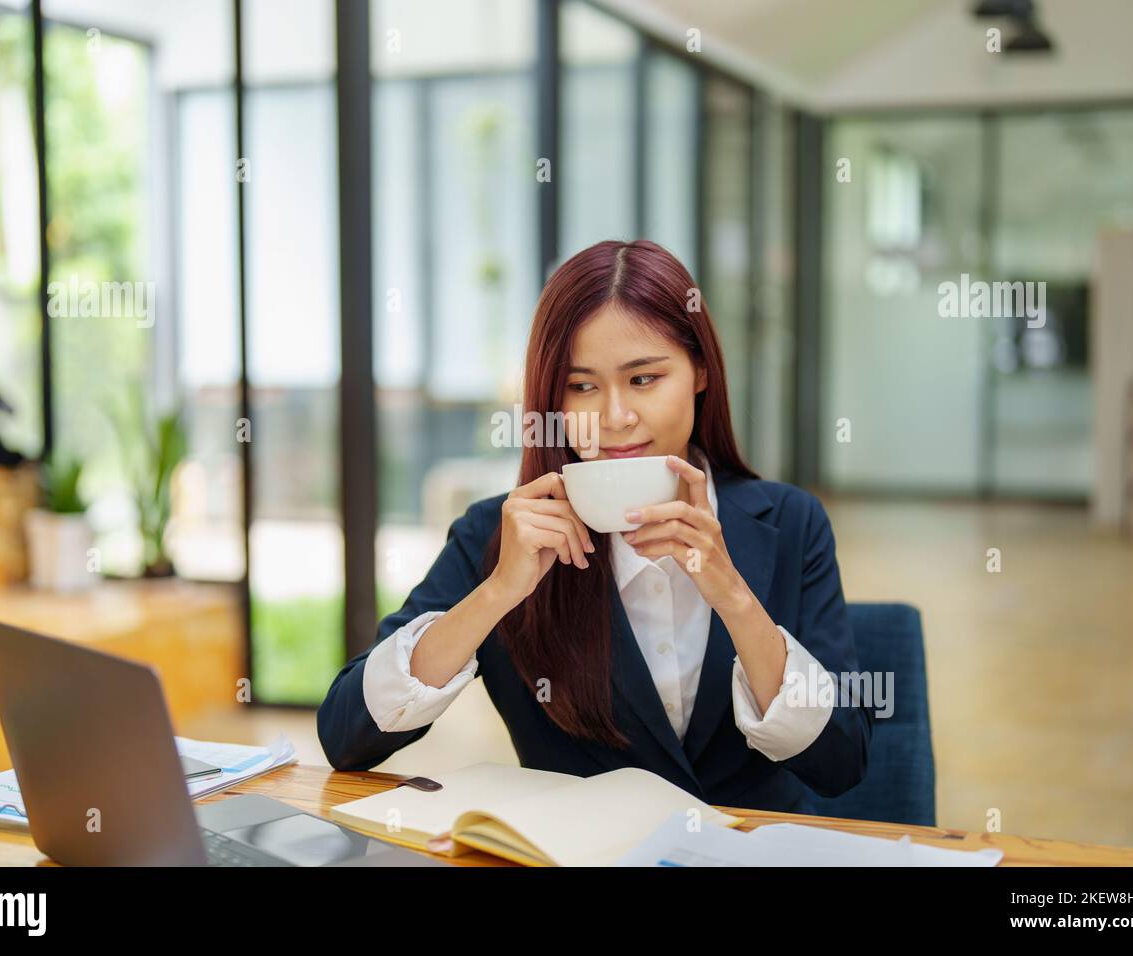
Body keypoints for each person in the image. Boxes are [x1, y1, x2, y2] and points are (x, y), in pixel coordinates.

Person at [318, 239, 871, 811]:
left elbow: (840, 761)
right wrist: (499, 592)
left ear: (700, 371)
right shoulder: (499, 535)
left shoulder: (790, 522)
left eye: (644, 379)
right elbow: (346, 737)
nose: (615, 419)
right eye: (581, 387)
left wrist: (733, 597)